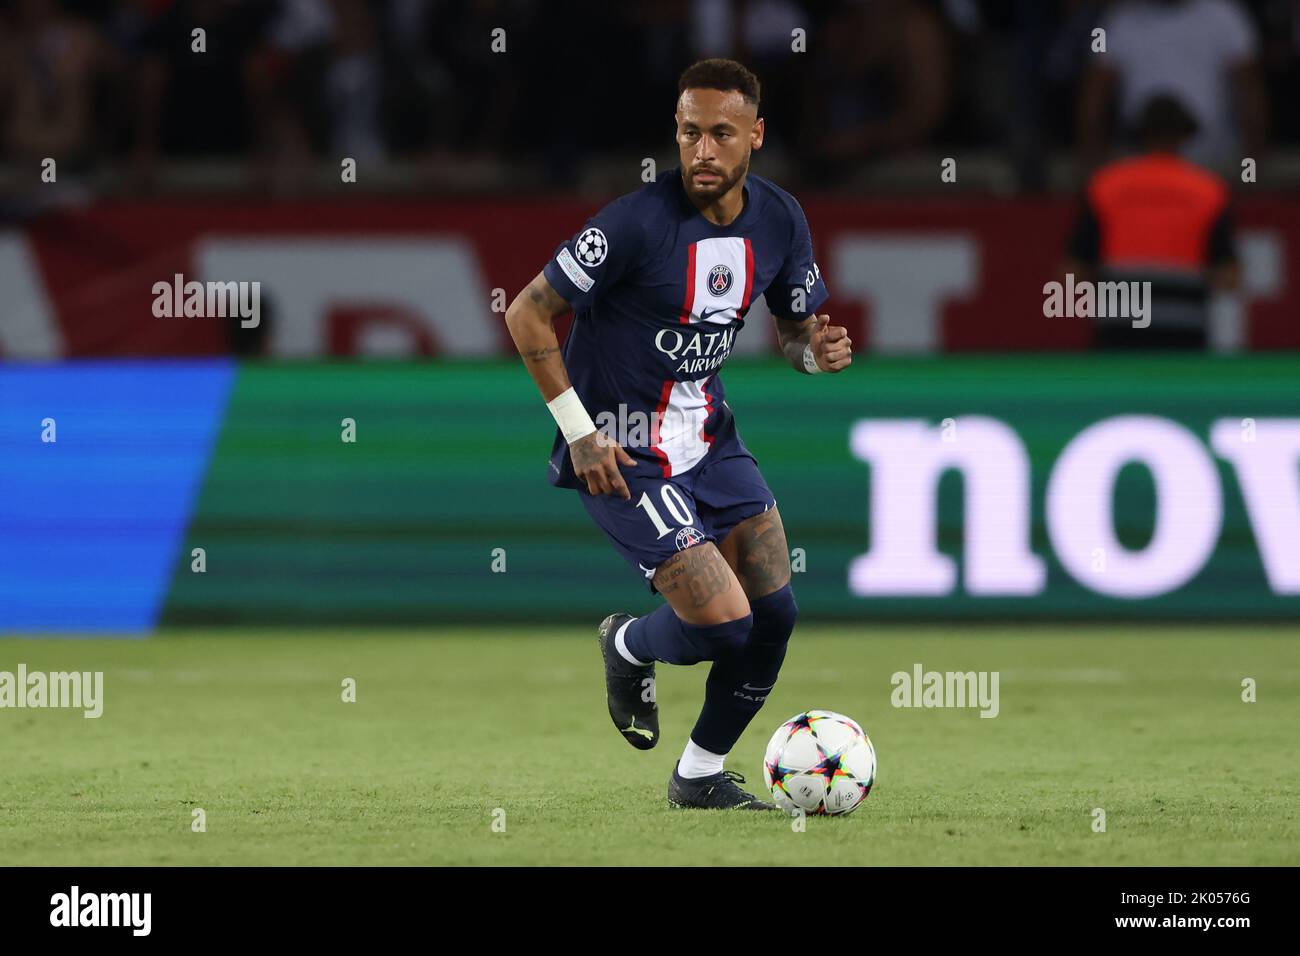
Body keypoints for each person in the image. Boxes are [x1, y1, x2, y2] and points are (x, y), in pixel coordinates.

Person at [503, 58, 852, 810]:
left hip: (711, 440)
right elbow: (527, 311)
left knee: (776, 616)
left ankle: (697, 776)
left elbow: (795, 334)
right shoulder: (633, 224)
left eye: (721, 134)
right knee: (727, 626)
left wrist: (814, 359)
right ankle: (629, 644)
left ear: (755, 135)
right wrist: (582, 432)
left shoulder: (782, 218)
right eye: (689, 132)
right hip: (623, 453)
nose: (701, 151)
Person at [1066, 93, 1239, 349]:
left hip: (1119, 331)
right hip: (1184, 332)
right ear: (1184, 136)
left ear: (1142, 135)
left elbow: (1072, 272)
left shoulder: (1105, 186)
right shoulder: (1209, 191)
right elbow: (1229, 277)